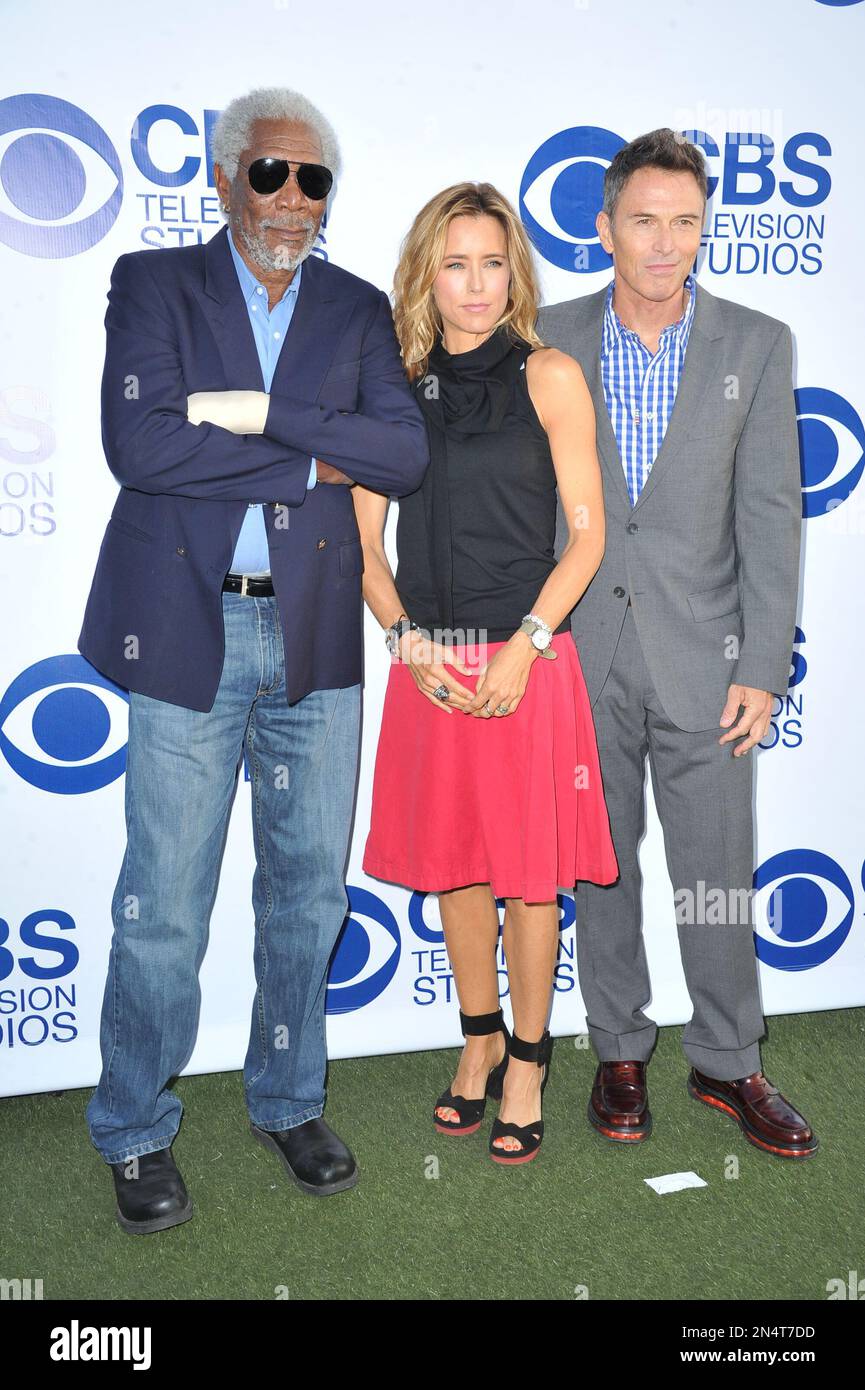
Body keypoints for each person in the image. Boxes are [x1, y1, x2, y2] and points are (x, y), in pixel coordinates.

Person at [77, 85, 429, 1233]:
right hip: (189, 627)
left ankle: (285, 1099)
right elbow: (141, 444)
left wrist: (252, 412)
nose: (291, 196)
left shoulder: (356, 304)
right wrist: (313, 459)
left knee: (307, 895)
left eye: (312, 178)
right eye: (269, 173)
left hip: (318, 632)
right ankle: (133, 1127)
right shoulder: (155, 283)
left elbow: (404, 452)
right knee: (164, 904)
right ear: (225, 179)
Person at [537, 128, 816, 1158]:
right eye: (645, 221)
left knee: (714, 871)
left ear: (705, 230)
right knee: (600, 869)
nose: (666, 244)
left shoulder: (756, 340)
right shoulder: (547, 335)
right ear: (604, 226)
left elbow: (771, 516)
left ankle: (726, 1059)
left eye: (686, 223)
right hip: (582, 652)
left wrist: (761, 665)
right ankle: (617, 1047)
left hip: (706, 657)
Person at [355, 182, 619, 1165]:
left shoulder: (548, 374)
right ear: (427, 270)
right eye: (454, 263)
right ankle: (475, 1042)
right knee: (457, 867)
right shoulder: (388, 385)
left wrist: (526, 642)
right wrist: (404, 639)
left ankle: (528, 1063)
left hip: (527, 660)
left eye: (491, 262)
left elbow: (585, 538)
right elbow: (365, 551)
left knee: (531, 878)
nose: (474, 283)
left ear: (515, 272)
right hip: (427, 667)